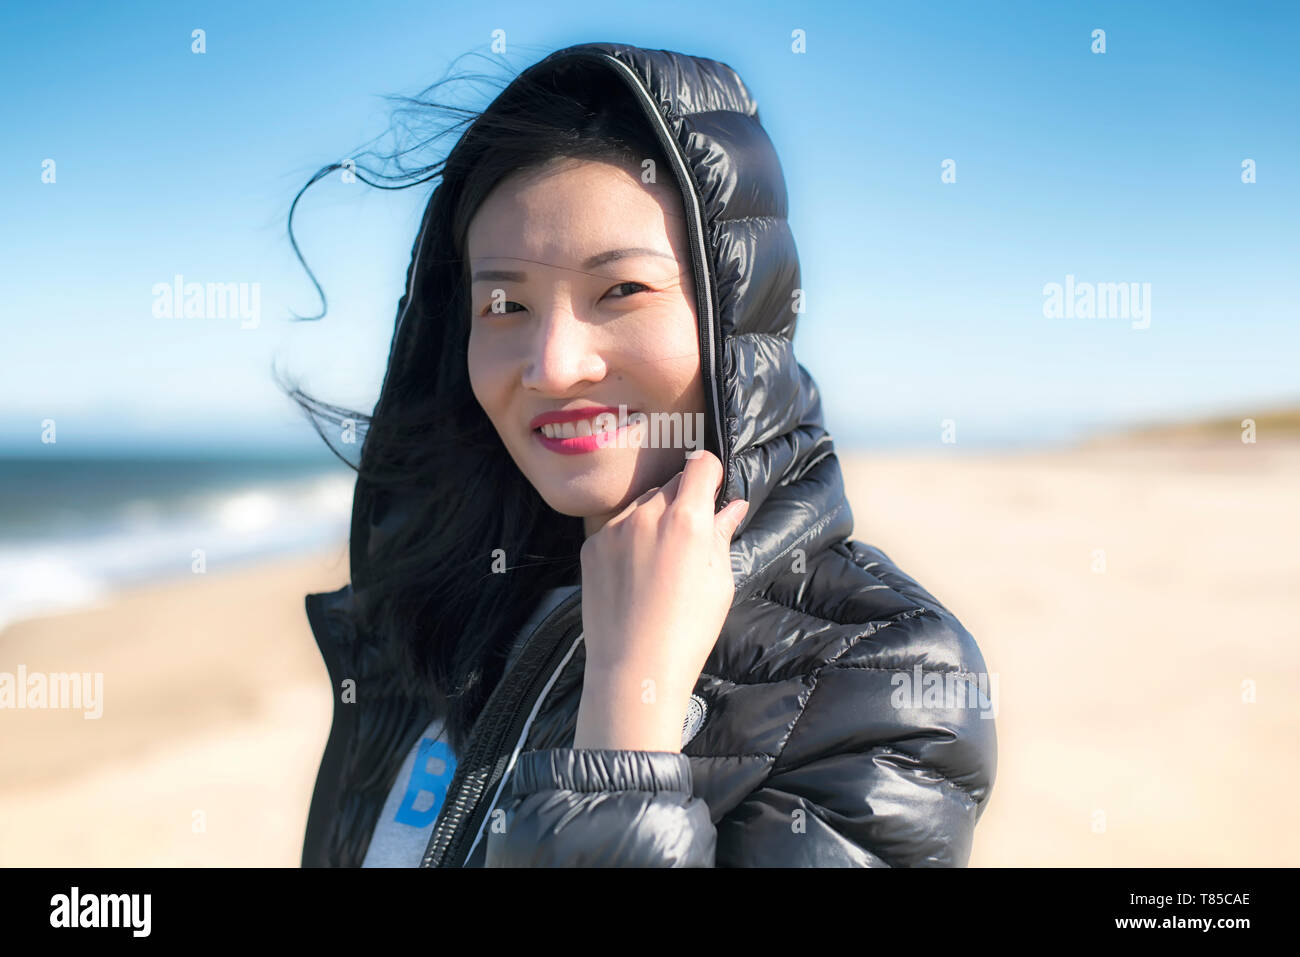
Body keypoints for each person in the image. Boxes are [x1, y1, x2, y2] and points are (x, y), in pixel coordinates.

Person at [288, 40, 997, 867]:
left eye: (620, 289)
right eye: (505, 302)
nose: (553, 364)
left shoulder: (884, 676)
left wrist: (629, 712)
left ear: (735, 313)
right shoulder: (447, 601)